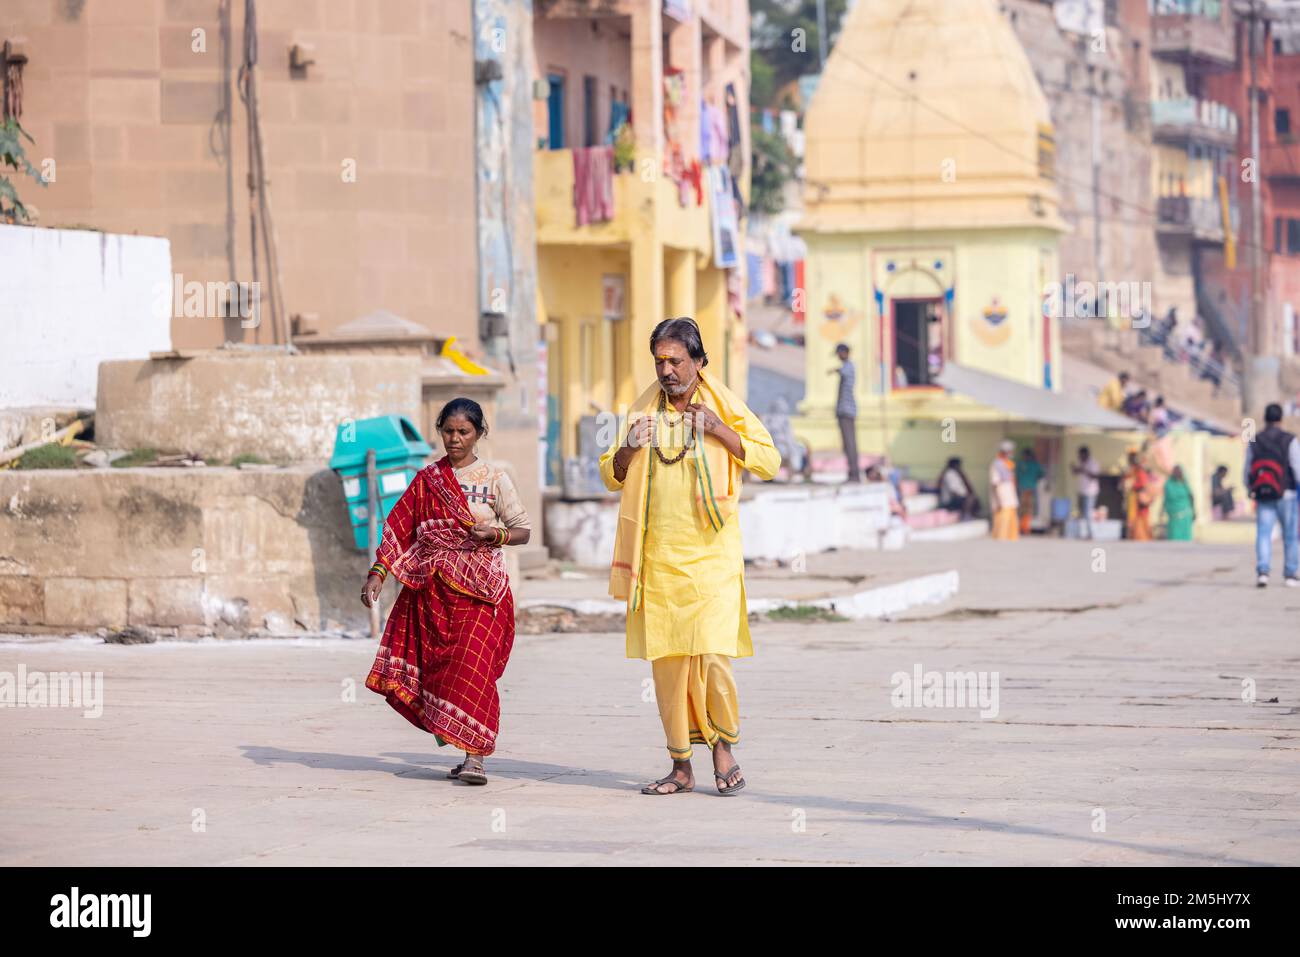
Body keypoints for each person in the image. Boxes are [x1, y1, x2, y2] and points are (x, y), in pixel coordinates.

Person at [599, 317, 780, 796]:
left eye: (676, 360)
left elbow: (769, 458)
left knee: (715, 657)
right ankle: (681, 765)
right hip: (656, 561)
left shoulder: (722, 406)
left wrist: (719, 430)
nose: (666, 369)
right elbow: (610, 474)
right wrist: (626, 449)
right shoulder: (642, 412)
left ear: (699, 362)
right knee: (669, 666)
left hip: (713, 558)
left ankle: (724, 748)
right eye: (659, 360)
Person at [362, 398, 531, 786]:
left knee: (474, 668)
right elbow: (399, 528)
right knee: (440, 671)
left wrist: (495, 534)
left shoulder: (493, 478)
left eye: (463, 432)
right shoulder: (427, 480)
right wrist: (378, 573)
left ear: (478, 434)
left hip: (483, 591)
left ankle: (476, 758)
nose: (454, 440)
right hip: (434, 591)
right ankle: (457, 739)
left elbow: (523, 530)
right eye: (448, 431)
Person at [1244, 403, 1300, 587]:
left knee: (1263, 533)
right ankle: (1291, 574)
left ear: (1264, 418)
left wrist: (1249, 488)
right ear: (1281, 419)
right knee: (1290, 535)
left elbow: (1247, 467)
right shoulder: (1289, 439)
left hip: (1263, 493)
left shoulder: (1254, 438)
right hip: (1287, 493)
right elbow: (1297, 467)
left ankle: (1263, 572)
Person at [831, 343, 860, 482]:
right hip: (844, 410)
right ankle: (852, 473)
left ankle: (854, 474)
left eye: (839, 353)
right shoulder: (847, 366)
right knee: (847, 444)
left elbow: (843, 370)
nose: (838, 357)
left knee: (850, 443)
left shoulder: (849, 366)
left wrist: (834, 370)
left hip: (847, 411)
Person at [989, 440, 1020, 541]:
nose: (1011, 454)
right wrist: (998, 499)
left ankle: (1011, 538)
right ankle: (1001, 538)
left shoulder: (1008, 464)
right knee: (1002, 518)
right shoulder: (997, 464)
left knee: (1011, 516)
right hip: (1002, 496)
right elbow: (995, 483)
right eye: (1009, 452)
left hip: (1009, 495)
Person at [1071, 446, 1102, 539]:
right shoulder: (1081, 462)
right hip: (1082, 491)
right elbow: (1076, 473)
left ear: (1086, 454)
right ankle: (1082, 533)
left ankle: (1090, 533)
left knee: (1088, 513)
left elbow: (1095, 476)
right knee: (1081, 513)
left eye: (1081, 455)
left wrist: (1083, 470)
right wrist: (1074, 468)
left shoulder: (1093, 463)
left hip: (1090, 492)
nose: (1079, 457)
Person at [1123, 450, 1154, 541]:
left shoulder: (1140, 471)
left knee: (1141, 521)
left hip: (1140, 499)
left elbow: (1143, 484)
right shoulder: (1133, 470)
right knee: (1133, 520)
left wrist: (1133, 485)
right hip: (1133, 498)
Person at [1162, 465, 1195, 541]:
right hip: (1173, 514)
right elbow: (1166, 499)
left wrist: (1194, 511)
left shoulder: (1185, 484)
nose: (1178, 474)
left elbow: (1191, 497)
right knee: (1174, 536)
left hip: (1185, 514)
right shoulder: (1169, 484)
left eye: (1179, 472)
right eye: (1176, 472)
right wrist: (1161, 512)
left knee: (1186, 538)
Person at [1015, 447, 1044, 535]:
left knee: (1024, 510)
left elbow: (1015, 475)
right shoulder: (1034, 464)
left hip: (1025, 489)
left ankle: (1023, 528)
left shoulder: (1021, 464)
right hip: (1028, 489)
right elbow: (1041, 475)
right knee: (1026, 510)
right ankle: (1024, 528)